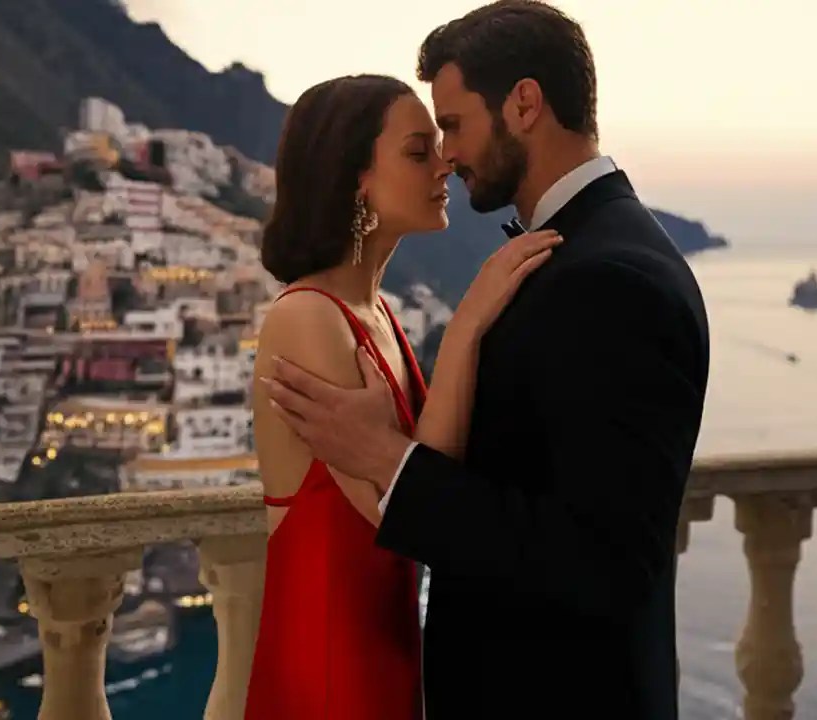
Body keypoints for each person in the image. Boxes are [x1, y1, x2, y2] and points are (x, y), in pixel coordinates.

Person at [262, 2, 712, 718]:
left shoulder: (607, 279)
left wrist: (391, 458)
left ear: (524, 104)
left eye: (454, 124)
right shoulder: (576, 258)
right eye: (428, 141)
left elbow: (605, 561)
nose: (448, 154)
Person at [245, 73, 562, 719]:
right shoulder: (307, 318)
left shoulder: (378, 313)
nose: (445, 161)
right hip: (332, 666)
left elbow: (418, 474)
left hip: (384, 651)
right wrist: (469, 323)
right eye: (418, 152)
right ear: (355, 178)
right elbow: (410, 514)